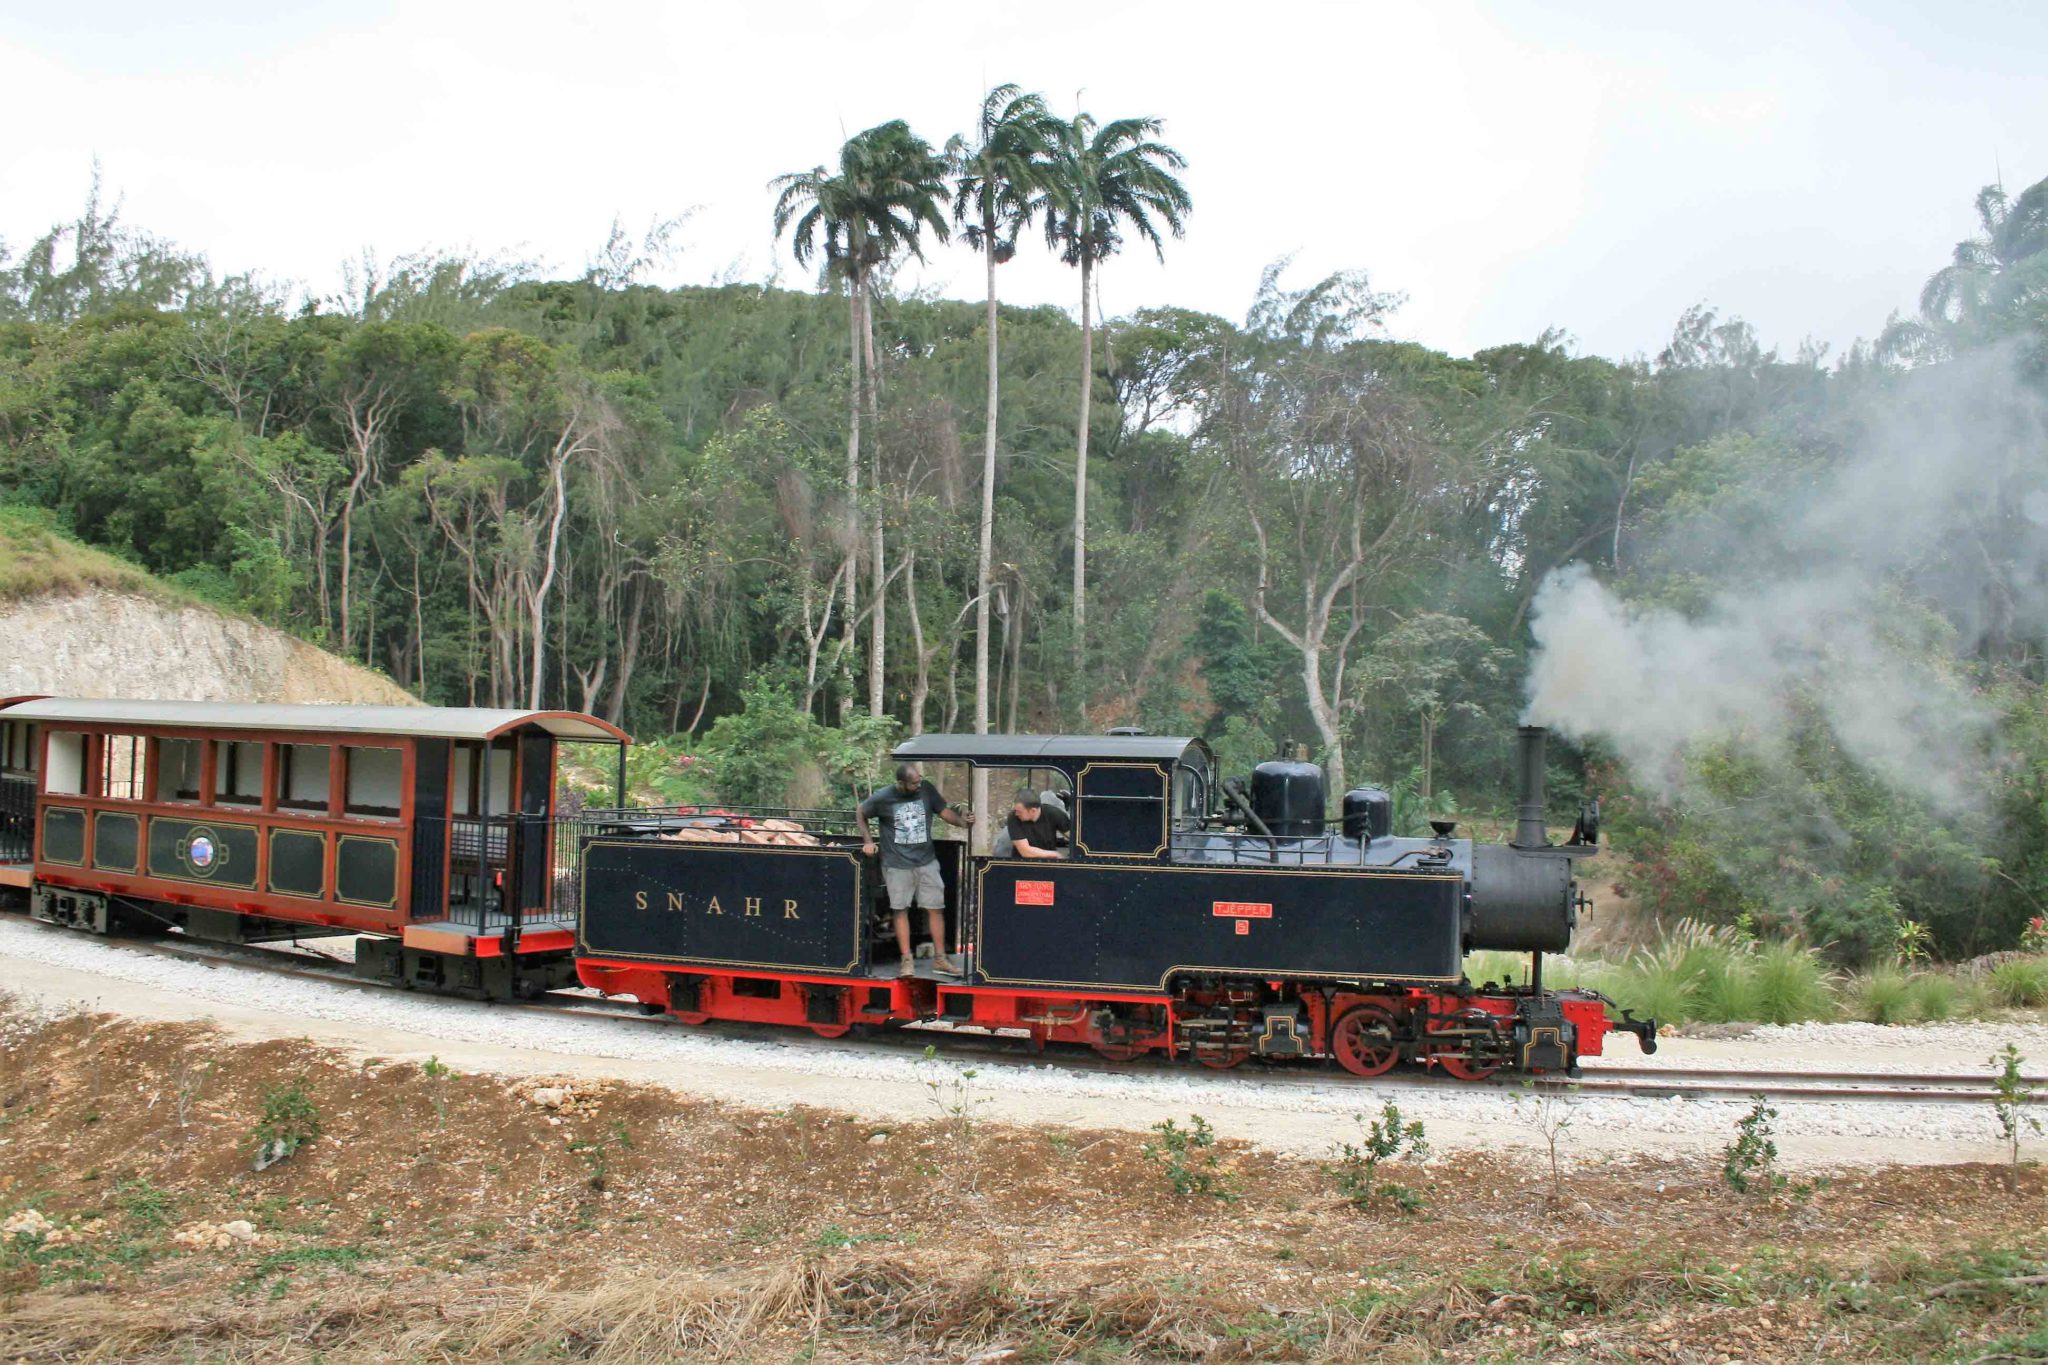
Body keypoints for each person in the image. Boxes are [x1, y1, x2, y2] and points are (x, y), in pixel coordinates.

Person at [858, 763, 970, 976]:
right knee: (900, 910)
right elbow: (861, 812)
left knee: (936, 908)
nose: (918, 785)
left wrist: (963, 823)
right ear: (901, 783)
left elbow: (944, 811)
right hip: (897, 864)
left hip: (926, 861)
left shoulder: (926, 789)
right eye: (913, 783)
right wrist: (868, 841)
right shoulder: (883, 797)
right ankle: (906, 960)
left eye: (919, 781)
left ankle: (940, 959)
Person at [1004, 789, 1070, 860]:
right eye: (1015, 810)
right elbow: (1025, 851)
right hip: (1022, 862)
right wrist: (1054, 854)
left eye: (1019, 811)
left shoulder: (1054, 814)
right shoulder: (1013, 817)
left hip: (1048, 863)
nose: (1016, 814)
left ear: (1033, 811)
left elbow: (1074, 837)